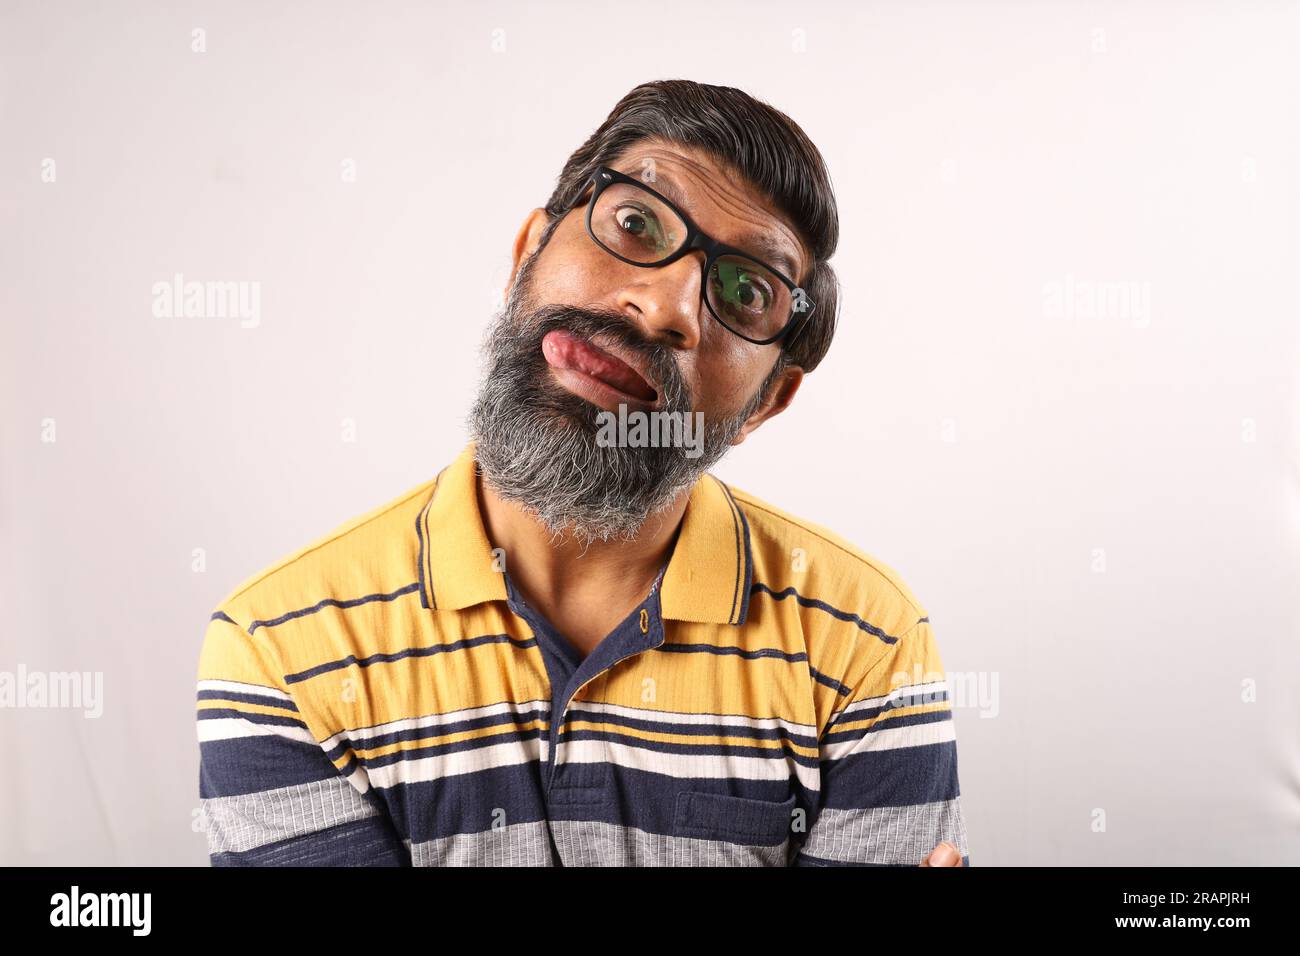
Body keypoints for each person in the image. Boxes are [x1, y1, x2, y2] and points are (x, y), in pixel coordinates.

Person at [196, 79, 970, 867]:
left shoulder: (868, 647)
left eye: (745, 292)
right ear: (527, 253)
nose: (667, 306)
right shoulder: (278, 653)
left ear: (769, 399)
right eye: (636, 223)